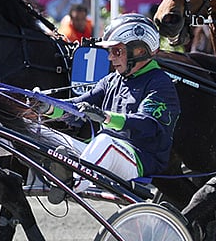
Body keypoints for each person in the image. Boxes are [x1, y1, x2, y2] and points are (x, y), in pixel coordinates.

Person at [42, 14, 180, 204]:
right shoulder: (112, 80)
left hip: (138, 160)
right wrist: (46, 107)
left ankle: (70, 185)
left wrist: (105, 117)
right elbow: (76, 106)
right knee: (40, 131)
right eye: (110, 51)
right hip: (104, 153)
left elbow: (148, 125)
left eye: (117, 51)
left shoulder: (160, 83)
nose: (109, 57)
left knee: (104, 140)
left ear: (139, 50)